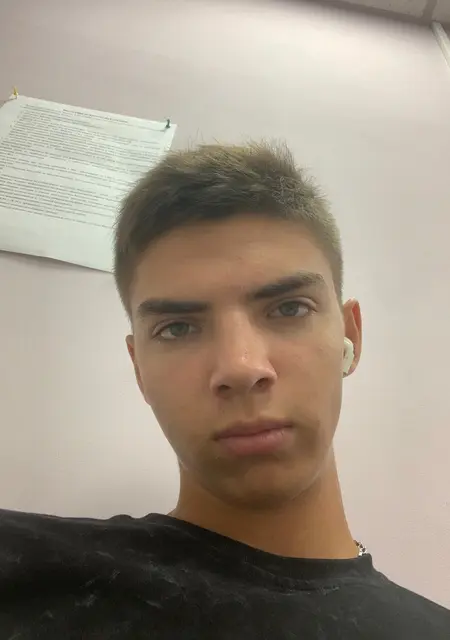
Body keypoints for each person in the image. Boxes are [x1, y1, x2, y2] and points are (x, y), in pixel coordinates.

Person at [0, 142, 449, 639]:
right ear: (139, 370)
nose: (241, 367)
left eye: (289, 308)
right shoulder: (25, 574)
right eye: (177, 328)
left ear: (351, 336)